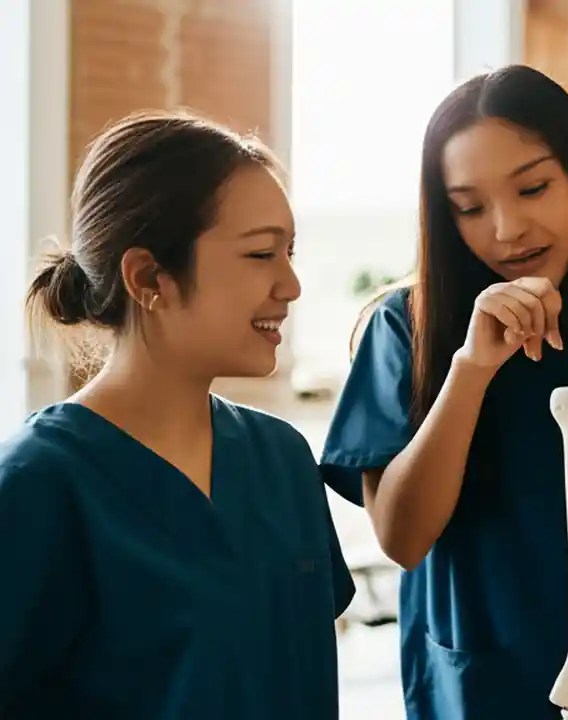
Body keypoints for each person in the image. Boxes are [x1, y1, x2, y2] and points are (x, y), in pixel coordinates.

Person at [319, 65, 568, 719]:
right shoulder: (405, 329)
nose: (506, 229)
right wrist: (470, 369)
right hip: (480, 688)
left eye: (533, 188)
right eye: (469, 207)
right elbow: (402, 537)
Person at [0, 111, 354, 719]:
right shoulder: (41, 485)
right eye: (261, 253)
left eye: (289, 252)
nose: (291, 284)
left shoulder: (284, 460)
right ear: (147, 277)